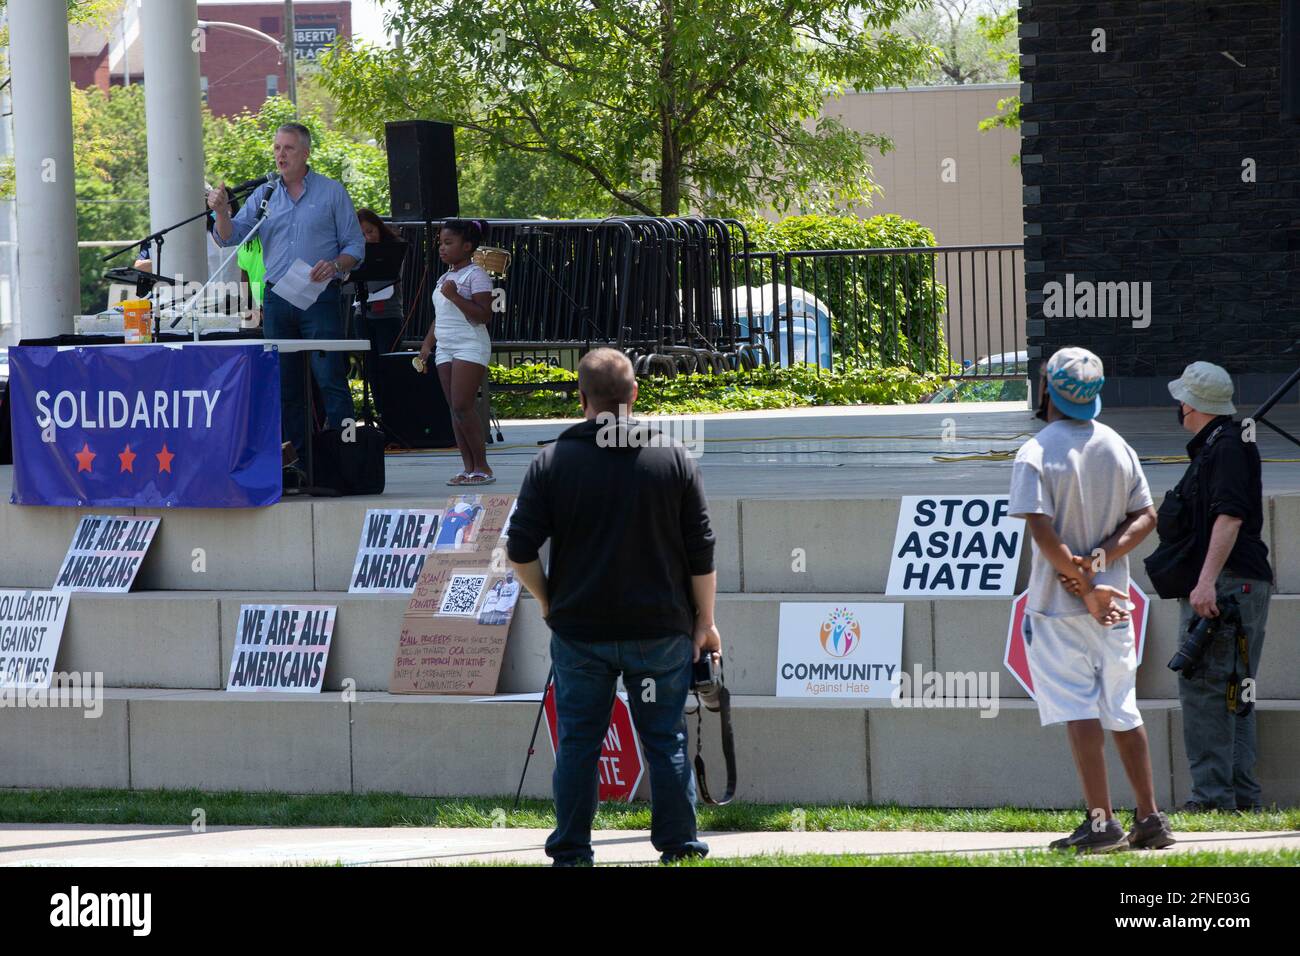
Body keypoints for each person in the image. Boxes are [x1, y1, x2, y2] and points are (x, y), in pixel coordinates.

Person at [506, 348, 720, 866]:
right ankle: (679, 845)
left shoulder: (553, 461)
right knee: (664, 737)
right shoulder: (673, 458)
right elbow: (701, 548)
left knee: (580, 742)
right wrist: (706, 623)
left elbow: (518, 549)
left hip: (581, 630)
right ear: (635, 396)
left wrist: (548, 600)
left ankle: (573, 850)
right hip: (660, 628)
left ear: (581, 399)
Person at [1009, 347, 1174, 853]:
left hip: (1057, 611)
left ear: (1046, 389)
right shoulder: (1117, 445)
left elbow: (1040, 529)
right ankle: (1150, 817)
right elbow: (1146, 516)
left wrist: (1076, 576)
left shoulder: (1034, 452)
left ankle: (1102, 822)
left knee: (1079, 711)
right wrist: (1099, 565)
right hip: (1115, 605)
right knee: (1124, 708)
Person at [207, 122, 366, 456]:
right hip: (278, 298)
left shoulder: (331, 192)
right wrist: (221, 212)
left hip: (320, 296)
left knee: (329, 378)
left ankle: (345, 457)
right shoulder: (264, 194)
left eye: (289, 148)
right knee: (286, 386)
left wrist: (336, 265)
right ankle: (301, 460)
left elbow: (356, 245)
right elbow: (230, 236)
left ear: (305, 153)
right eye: (277, 147)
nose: (280, 154)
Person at [1163, 362, 1273, 812]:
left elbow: (1229, 516)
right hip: (1242, 583)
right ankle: (1240, 796)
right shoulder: (1227, 443)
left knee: (1207, 690)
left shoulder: (1224, 447)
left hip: (1226, 585)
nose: (1179, 406)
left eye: (1181, 399)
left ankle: (1211, 799)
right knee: (1235, 691)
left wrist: (1205, 582)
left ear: (1192, 404)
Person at [416, 220, 496, 486]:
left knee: (463, 405)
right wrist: (427, 345)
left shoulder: (476, 275)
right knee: (454, 409)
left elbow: (484, 315)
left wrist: (455, 297)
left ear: (467, 246)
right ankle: (468, 467)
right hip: (445, 346)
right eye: (441, 242)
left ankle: (483, 467)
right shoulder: (444, 278)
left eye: (448, 243)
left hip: (469, 344)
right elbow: (439, 318)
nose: (442, 248)